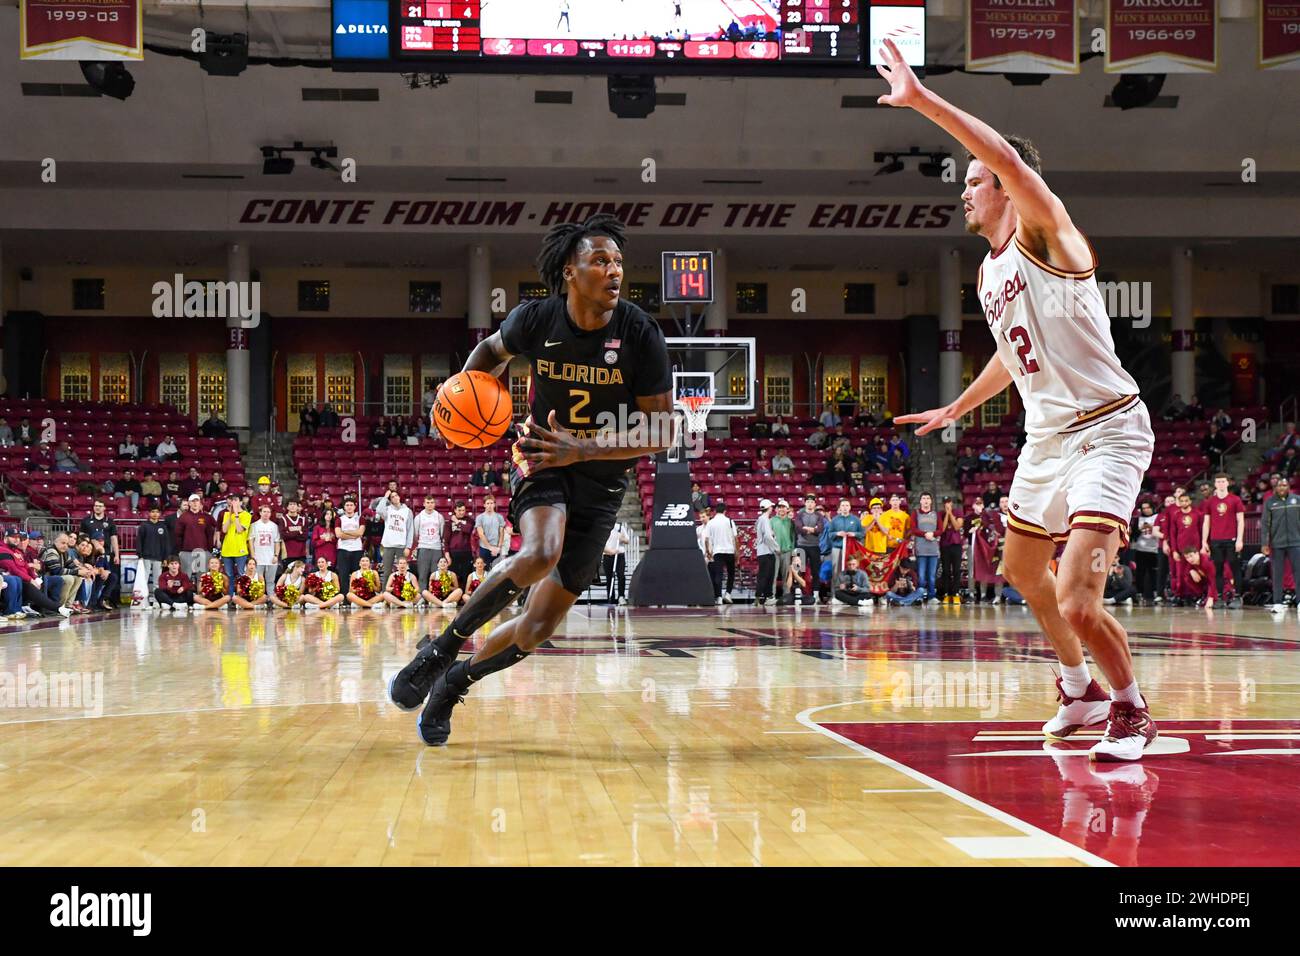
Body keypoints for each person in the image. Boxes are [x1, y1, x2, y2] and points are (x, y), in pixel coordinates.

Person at [884, 38, 1156, 760]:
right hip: (1047, 439)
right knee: (1019, 572)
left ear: (1008, 185)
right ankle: (1079, 689)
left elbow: (1002, 152)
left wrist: (920, 100)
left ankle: (1131, 708)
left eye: (975, 181)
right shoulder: (987, 273)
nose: (964, 191)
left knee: (1076, 598)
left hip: (1107, 431)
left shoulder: (1046, 233)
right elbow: (1012, 353)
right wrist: (956, 408)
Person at [389, 215, 677, 747]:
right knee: (541, 551)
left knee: (538, 628)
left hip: (602, 483)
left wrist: (585, 448)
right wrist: (462, 401)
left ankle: (453, 683)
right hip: (542, 458)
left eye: (618, 262)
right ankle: (442, 648)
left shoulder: (639, 331)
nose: (614, 271)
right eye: (600, 261)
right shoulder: (537, 319)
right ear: (570, 272)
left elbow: (664, 429)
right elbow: (488, 356)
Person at [1201, 473, 1244, 607]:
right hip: (1215, 540)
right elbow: (1206, 522)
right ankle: (1219, 597)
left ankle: (1237, 597)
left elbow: (1240, 521)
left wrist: (1239, 540)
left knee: (1234, 568)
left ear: (1228, 483)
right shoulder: (1210, 502)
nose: (1220, 484)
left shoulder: (1235, 500)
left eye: (1223, 481)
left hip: (1231, 539)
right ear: (1215, 484)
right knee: (1217, 570)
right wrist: (1204, 541)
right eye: (1218, 481)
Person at [1261, 476, 1300, 611]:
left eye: (1284, 485)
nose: (1282, 488)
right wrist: (1265, 543)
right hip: (1277, 544)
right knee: (1277, 574)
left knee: (1298, 573)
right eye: (1279, 485)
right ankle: (1277, 602)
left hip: (1296, 543)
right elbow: (1265, 524)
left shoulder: (1297, 500)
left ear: (1288, 487)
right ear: (1275, 488)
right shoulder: (1269, 502)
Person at [136, 505, 173, 606]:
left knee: (157, 581)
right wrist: (140, 555)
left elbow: (166, 544)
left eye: (157, 512)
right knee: (144, 579)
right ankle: (143, 600)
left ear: (160, 514)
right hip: (146, 557)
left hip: (158, 558)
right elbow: (139, 541)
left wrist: (165, 558)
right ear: (149, 513)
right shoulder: (144, 526)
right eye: (153, 511)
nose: (155, 514)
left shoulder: (162, 527)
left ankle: (157, 600)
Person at [217, 492, 252, 594]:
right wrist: (231, 514)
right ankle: (230, 597)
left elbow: (240, 529)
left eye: (236, 500)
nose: (233, 502)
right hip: (227, 549)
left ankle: (242, 596)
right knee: (229, 575)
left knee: (241, 574)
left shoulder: (246, 515)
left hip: (240, 549)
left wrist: (236, 514)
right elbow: (224, 529)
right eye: (232, 500)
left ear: (241, 502)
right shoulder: (226, 514)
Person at [705, 502, 738, 604]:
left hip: (717, 551)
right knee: (731, 573)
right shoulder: (729, 521)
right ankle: (728, 594)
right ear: (725, 511)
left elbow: (706, 539)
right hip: (729, 551)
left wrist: (708, 551)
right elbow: (735, 538)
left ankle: (718, 597)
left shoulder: (711, 522)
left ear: (715, 511)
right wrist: (737, 552)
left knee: (718, 574)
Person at [1128, 500, 1160, 605]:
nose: (1146, 510)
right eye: (1143, 508)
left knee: (1154, 573)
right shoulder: (1138, 519)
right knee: (1140, 573)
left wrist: (1152, 528)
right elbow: (1133, 537)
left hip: (1155, 549)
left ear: (1152, 508)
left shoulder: (1158, 517)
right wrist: (1139, 529)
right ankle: (1139, 594)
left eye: (1148, 507)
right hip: (1141, 549)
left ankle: (1156, 593)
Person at [174, 494, 214, 578]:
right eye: (193, 501)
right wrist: (180, 551)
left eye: (197, 501)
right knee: (185, 577)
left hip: (202, 551)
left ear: (200, 503)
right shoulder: (183, 517)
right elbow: (178, 535)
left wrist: (209, 549)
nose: (195, 503)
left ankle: (200, 591)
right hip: (186, 552)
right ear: (189, 503)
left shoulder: (207, 517)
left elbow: (210, 534)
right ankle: (186, 591)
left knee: (202, 577)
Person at [795, 494, 826, 599]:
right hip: (801, 545)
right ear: (805, 503)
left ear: (815, 503)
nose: (810, 504)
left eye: (812, 502)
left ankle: (816, 594)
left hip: (814, 546)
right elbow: (799, 528)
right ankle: (798, 592)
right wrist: (812, 529)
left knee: (815, 571)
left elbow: (820, 529)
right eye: (808, 502)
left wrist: (809, 529)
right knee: (799, 570)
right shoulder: (800, 514)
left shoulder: (819, 515)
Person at [910, 493, 940, 602]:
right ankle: (920, 596)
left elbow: (940, 529)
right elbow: (913, 529)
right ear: (920, 501)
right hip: (921, 549)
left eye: (928, 498)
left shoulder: (936, 514)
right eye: (924, 498)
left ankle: (932, 596)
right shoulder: (915, 513)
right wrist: (925, 534)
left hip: (933, 549)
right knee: (921, 576)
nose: (926, 500)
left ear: (931, 501)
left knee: (932, 576)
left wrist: (933, 534)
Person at [411, 495, 445, 592]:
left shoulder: (439, 517)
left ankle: (435, 595)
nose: (430, 505)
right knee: (422, 575)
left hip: (436, 548)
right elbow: (415, 533)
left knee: (436, 575)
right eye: (428, 503)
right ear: (424, 504)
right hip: (423, 547)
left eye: (432, 503)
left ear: (434, 504)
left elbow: (441, 533)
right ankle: (422, 596)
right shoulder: (419, 517)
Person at [379, 491, 414, 582]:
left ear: (399, 496)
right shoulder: (387, 509)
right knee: (387, 572)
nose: (395, 497)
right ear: (390, 500)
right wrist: (385, 497)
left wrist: (408, 547)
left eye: (396, 495)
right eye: (392, 497)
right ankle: (385, 593)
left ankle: (402, 593)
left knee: (402, 572)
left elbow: (410, 530)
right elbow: (379, 510)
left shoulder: (407, 511)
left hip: (401, 546)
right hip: (388, 545)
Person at [334, 498, 365, 595]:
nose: (349, 507)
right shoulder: (339, 519)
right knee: (343, 575)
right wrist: (354, 534)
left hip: (357, 549)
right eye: (347, 505)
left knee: (357, 575)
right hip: (343, 549)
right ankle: (344, 597)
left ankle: (357, 596)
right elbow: (338, 535)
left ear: (355, 507)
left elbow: (360, 533)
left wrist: (345, 532)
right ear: (344, 507)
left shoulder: (360, 518)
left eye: (351, 505)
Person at [937, 497, 965, 604]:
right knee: (946, 570)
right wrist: (947, 514)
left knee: (956, 570)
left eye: (949, 502)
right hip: (945, 545)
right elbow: (942, 529)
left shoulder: (958, 512)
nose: (947, 504)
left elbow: (957, 526)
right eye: (945, 503)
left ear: (952, 503)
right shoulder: (940, 514)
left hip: (956, 545)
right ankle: (946, 594)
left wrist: (951, 514)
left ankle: (956, 593)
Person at [250, 504, 283, 593]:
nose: (266, 514)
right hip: (258, 558)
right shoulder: (254, 525)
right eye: (264, 511)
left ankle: (271, 599)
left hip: (271, 559)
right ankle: (258, 599)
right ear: (260, 513)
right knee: (257, 581)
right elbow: (251, 541)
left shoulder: (274, 526)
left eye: (268, 512)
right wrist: (253, 555)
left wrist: (276, 555)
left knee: (270, 582)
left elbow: (277, 542)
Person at [827, 499, 863, 576]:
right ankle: (836, 587)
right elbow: (830, 534)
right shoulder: (835, 520)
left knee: (852, 569)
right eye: (843, 505)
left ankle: (851, 586)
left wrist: (854, 534)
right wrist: (837, 533)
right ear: (840, 507)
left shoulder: (856, 520)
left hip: (852, 549)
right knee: (836, 570)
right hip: (838, 548)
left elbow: (862, 534)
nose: (845, 507)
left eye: (847, 505)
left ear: (850, 507)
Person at [444, 501, 475, 586]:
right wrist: (447, 554)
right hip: (453, 552)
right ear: (455, 510)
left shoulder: (470, 520)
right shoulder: (449, 523)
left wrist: (457, 522)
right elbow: (446, 539)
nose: (462, 512)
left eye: (463, 510)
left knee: (466, 575)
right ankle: (454, 595)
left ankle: (465, 595)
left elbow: (468, 530)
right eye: (459, 510)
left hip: (466, 551)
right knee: (453, 576)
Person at [754, 499, 778, 605]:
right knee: (766, 576)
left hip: (762, 552)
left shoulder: (760, 519)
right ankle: (761, 597)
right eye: (771, 507)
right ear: (768, 508)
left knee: (765, 575)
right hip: (767, 552)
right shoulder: (765, 520)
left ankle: (766, 596)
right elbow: (768, 536)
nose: (772, 508)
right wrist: (776, 548)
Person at [474, 494, 507, 570]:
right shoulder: (480, 517)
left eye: (491, 503)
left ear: (494, 504)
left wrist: (498, 547)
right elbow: (481, 534)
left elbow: (501, 533)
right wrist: (490, 548)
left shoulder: (499, 517)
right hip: (484, 548)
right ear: (484, 505)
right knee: (484, 570)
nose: (490, 505)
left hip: (497, 548)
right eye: (488, 503)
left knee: (497, 571)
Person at [602, 519, 629, 606]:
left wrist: (622, 538)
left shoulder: (620, 528)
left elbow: (627, 540)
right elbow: (601, 543)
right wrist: (610, 551)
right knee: (609, 578)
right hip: (607, 555)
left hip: (619, 555)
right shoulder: (604, 527)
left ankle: (621, 597)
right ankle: (611, 597)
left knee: (621, 575)